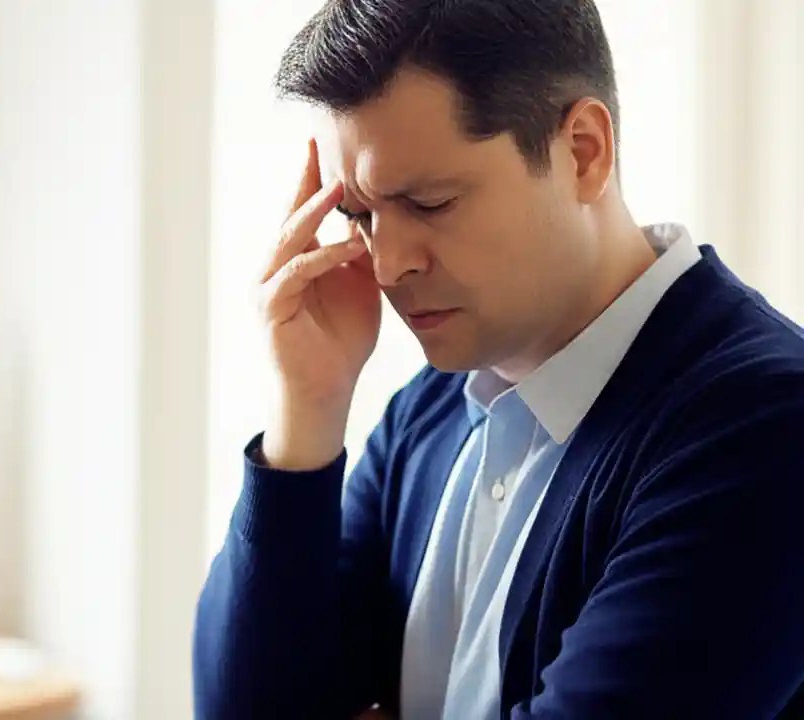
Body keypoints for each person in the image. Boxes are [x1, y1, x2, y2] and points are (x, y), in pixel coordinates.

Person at [192, 1, 804, 718]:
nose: (386, 266)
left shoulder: (766, 427)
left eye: (429, 202)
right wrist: (308, 407)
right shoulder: (428, 411)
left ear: (582, 151)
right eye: (359, 216)